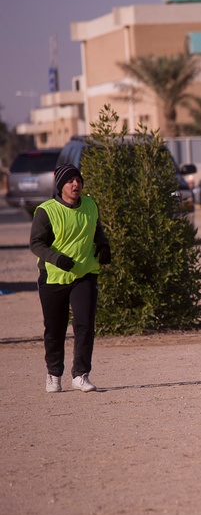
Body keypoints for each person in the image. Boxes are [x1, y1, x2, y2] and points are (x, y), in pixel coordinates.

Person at [29, 164, 111, 394]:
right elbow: (36, 244)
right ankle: (54, 375)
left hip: (84, 274)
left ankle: (81, 375)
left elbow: (97, 230)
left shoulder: (90, 205)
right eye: (70, 181)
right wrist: (56, 259)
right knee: (55, 329)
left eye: (78, 180)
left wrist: (103, 246)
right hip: (53, 277)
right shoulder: (46, 211)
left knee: (85, 324)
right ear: (60, 186)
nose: (76, 184)